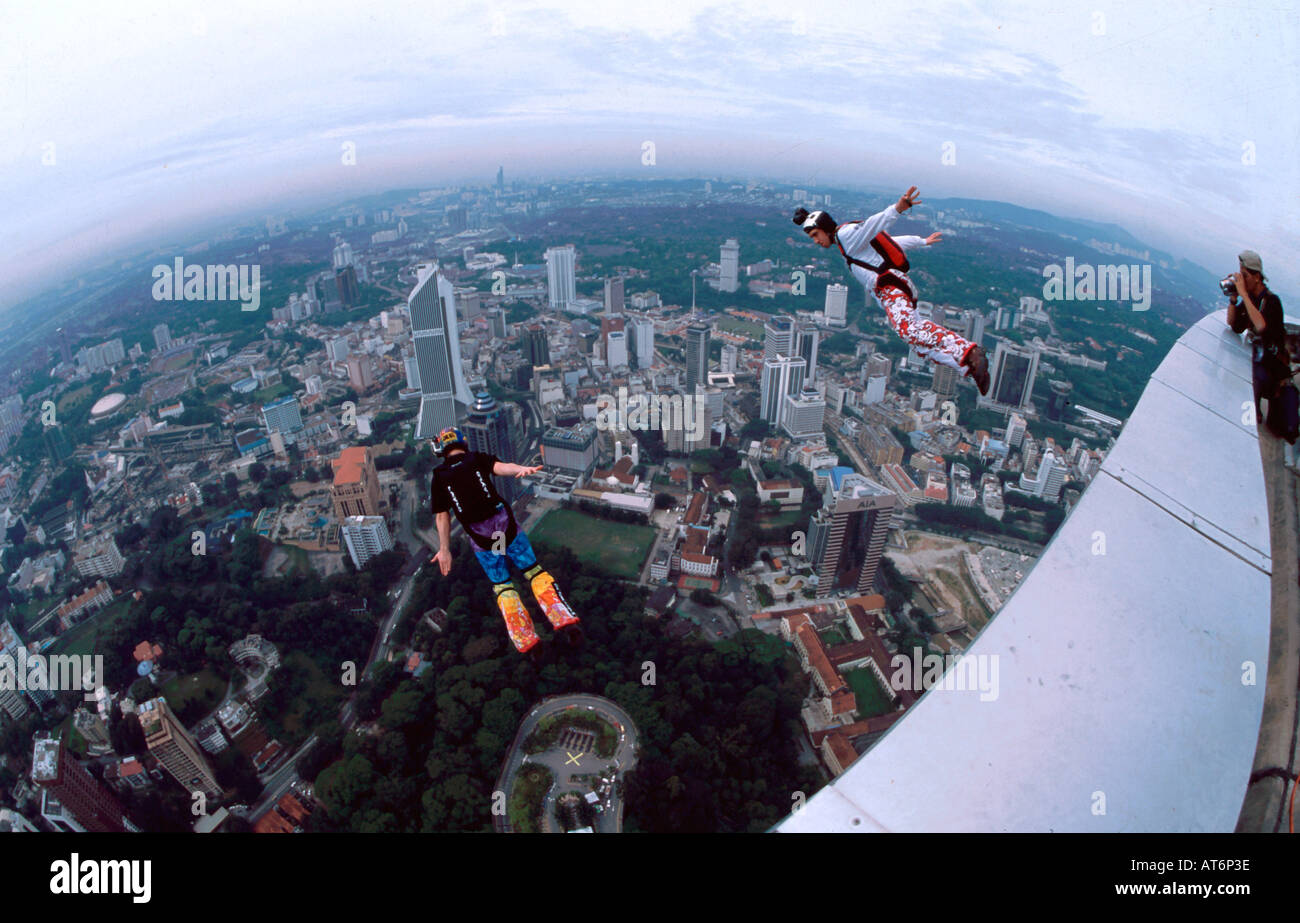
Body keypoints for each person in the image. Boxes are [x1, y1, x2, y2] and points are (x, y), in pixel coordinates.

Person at [794, 186, 990, 394]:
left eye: (816, 234)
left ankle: (970, 352)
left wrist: (897, 208)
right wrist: (921, 241)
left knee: (908, 329)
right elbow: (890, 243)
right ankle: (969, 367)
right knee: (917, 343)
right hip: (891, 288)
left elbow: (873, 225)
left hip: (889, 287)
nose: (816, 241)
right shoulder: (846, 242)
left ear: (825, 228)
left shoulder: (846, 234)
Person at [428, 426, 581, 655]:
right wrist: (522, 469)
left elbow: (442, 516)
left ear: (441, 449)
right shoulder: (475, 458)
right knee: (534, 571)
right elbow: (501, 468)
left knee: (503, 586)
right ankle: (563, 619)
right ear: (462, 442)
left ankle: (527, 641)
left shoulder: (439, 476)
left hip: (483, 539)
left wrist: (444, 549)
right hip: (504, 526)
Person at [1226, 249, 1288, 425]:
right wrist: (1233, 299)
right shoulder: (1251, 300)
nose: (1242, 281)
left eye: (1244, 276)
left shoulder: (1272, 302)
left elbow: (1261, 326)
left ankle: (1257, 413)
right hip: (1259, 362)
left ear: (1257, 277)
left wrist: (1244, 296)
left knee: (1278, 425)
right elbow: (1233, 324)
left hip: (1273, 369)